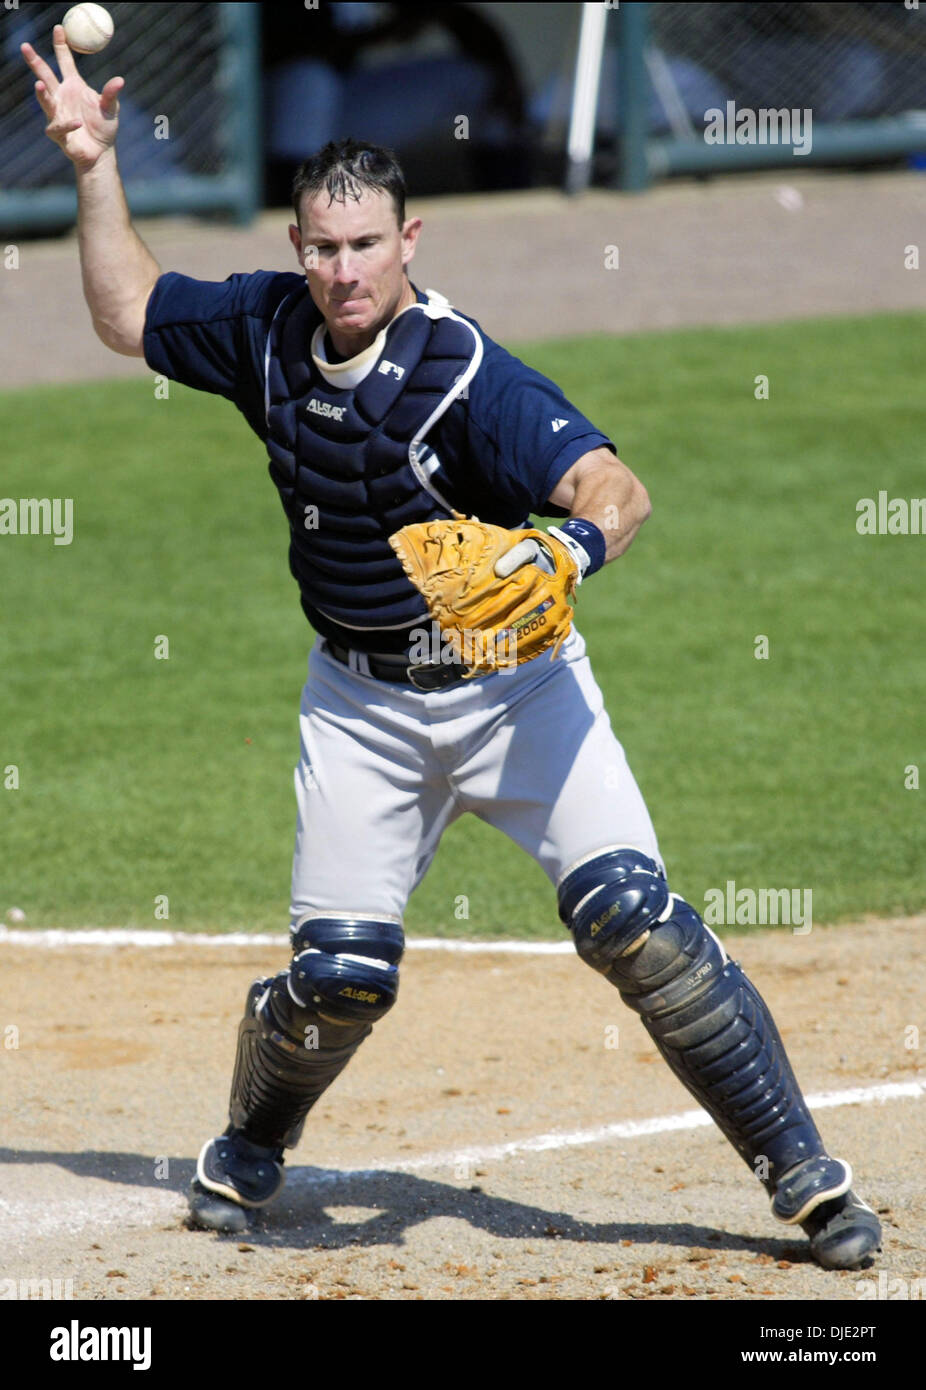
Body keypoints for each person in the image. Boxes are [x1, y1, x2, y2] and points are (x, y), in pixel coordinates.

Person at [21, 27, 882, 1272]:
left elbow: (612, 487)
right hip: (360, 705)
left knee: (632, 919)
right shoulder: (267, 330)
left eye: (365, 245)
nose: (341, 271)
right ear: (297, 245)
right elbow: (126, 312)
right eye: (319, 246)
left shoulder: (465, 377)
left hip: (515, 691)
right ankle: (248, 1147)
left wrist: (564, 554)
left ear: (407, 242)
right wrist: (95, 165)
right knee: (339, 981)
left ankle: (804, 1178)